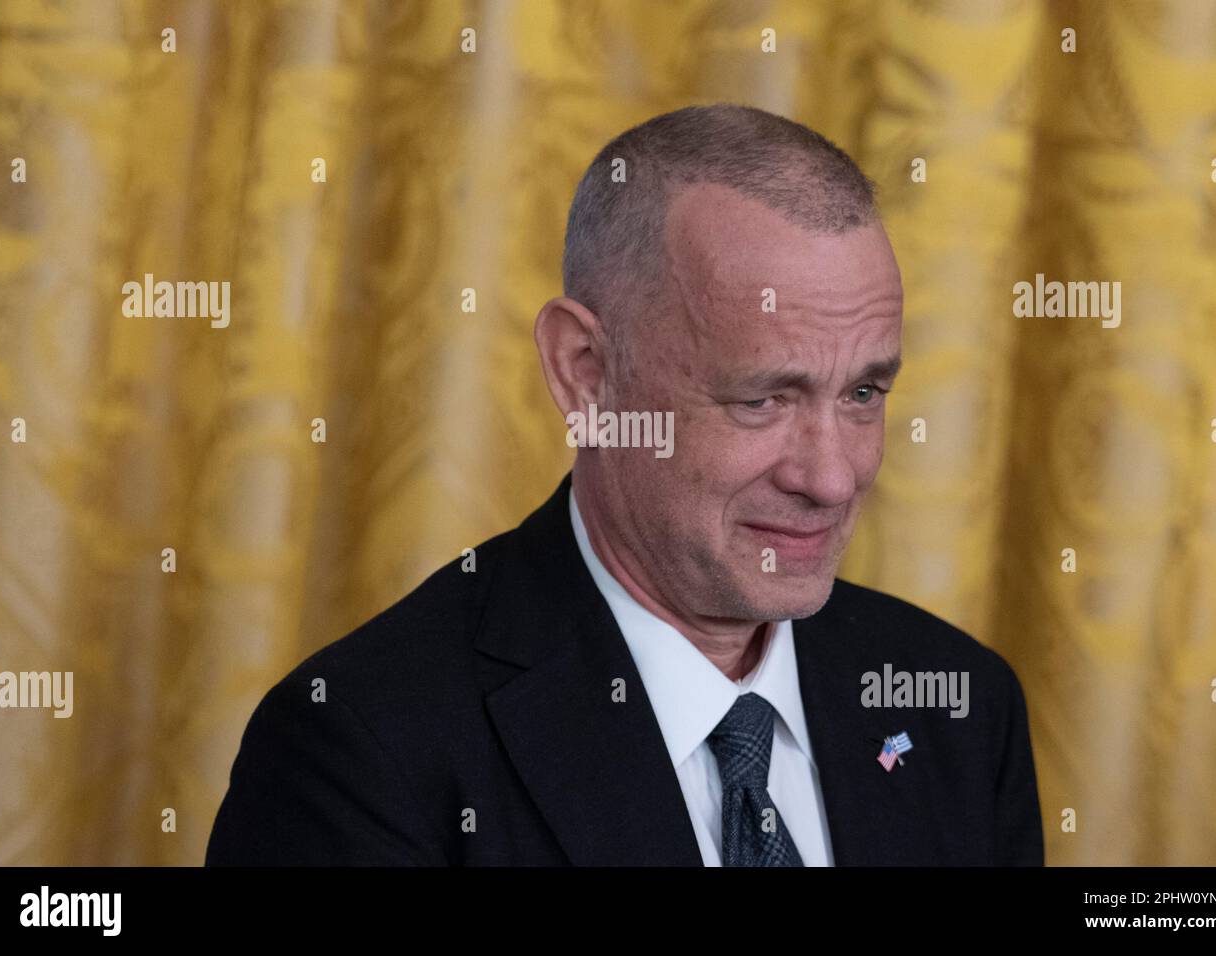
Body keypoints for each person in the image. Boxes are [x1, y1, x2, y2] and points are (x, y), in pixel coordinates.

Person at [206, 103, 1043, 866]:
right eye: (762, 399)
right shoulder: (366, 750)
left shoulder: (959, 705)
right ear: (586, 375)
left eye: (863, 394)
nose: (831, 477)